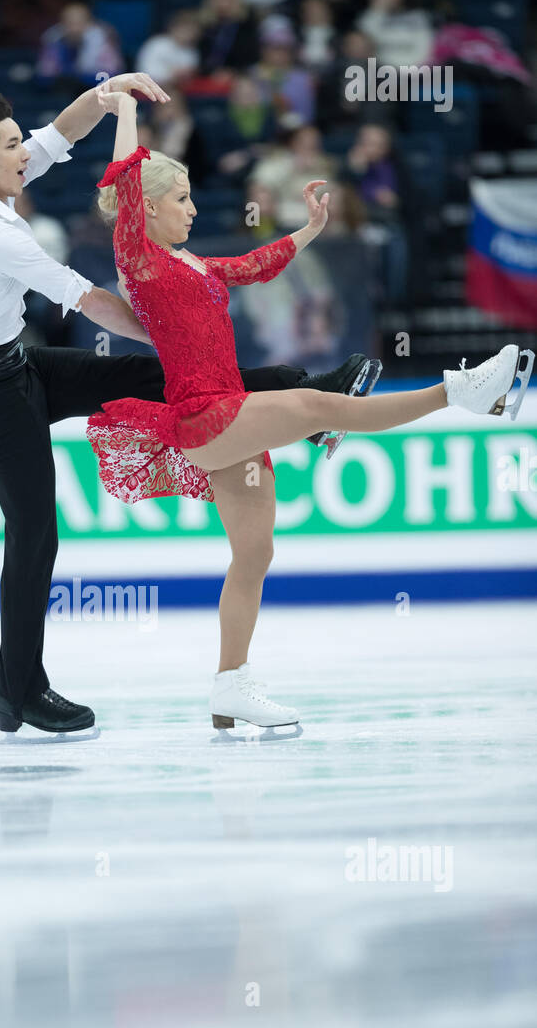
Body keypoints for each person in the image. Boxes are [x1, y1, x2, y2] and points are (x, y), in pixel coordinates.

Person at [0, 84, 381, 737]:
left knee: (158, 379)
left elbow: (62, 130)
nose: (24, 155)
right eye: (12, 147)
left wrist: (105, 95)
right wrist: (177, 330)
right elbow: (91, 301)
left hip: (22, 367)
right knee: (35, 538)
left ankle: (309, 393)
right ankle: (20, 691)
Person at [87, 87, 530, 730]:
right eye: (180, 198)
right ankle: (457, 392)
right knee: (318, 402)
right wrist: (124, 109)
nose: (191, 207)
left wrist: (312, 229)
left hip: (232, 418)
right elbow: (125, 180)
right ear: (148, 208)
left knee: (255, 555)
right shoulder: (141, 259)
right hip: (203, 416)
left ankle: (229, 687)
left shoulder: (190, 262)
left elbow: (251, 265)